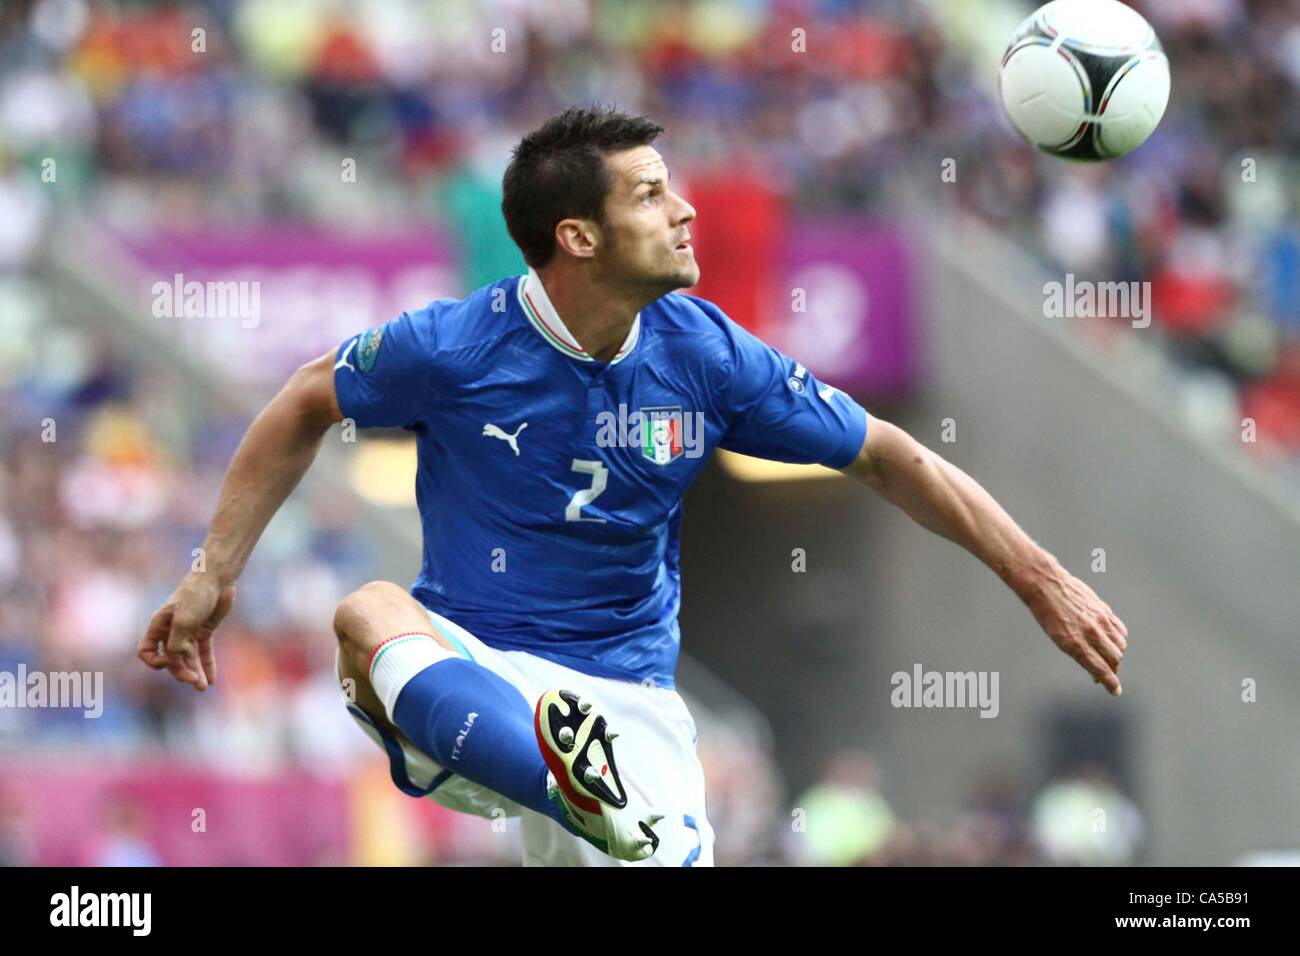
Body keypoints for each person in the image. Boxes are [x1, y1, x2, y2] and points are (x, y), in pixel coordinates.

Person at [138, 105, 1129, 867]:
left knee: (373, 621)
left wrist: (1039, 578)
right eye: (651, 195)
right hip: (481, 675)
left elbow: (889, 454)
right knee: (366, 611)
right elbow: (304, 400)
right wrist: (211, 572)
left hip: (626, 705)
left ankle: (586, 788)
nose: (684, 209)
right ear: (579, 236)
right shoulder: (455, 346)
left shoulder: (707, 354)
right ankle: (566, 783)